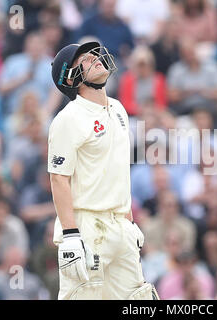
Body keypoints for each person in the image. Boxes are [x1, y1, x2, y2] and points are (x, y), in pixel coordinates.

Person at [49, 41, 158, 300]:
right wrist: (71, 234)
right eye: (84, 60)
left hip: (120, 224)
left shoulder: (118, 108)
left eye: (93, 54)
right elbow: (58, 178)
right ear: (71, 77)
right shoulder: (68, 118)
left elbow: (116, 169)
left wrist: (129, 221)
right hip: (86, 226)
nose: (95, 58)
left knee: (138, 300)